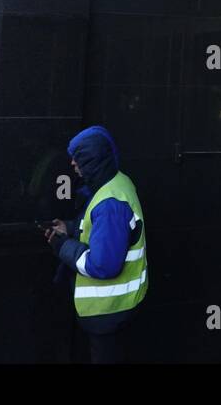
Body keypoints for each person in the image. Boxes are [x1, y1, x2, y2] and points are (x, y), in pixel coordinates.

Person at [44, 126, 147, 363]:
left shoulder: (109, 203)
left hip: (108, 310)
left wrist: (62, 246)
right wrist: (70, 228)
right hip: (115, 310)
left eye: (78, 156)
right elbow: (100, 229)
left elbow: (103, 265)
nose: (72, 163)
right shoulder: (116, 184)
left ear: (92, 158)